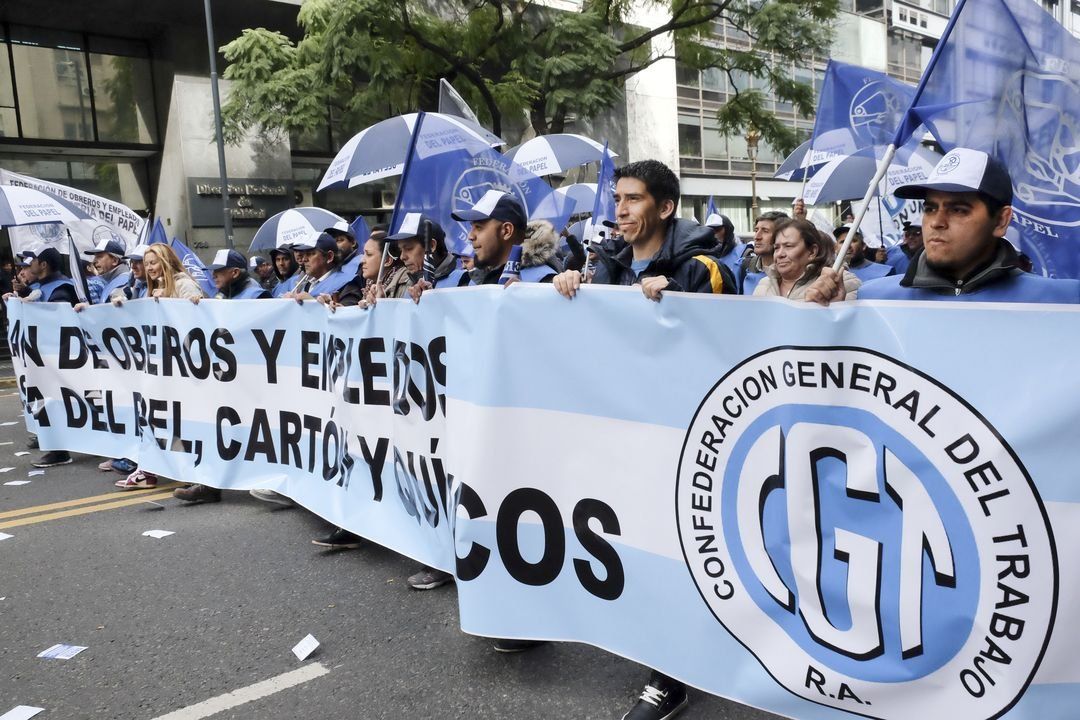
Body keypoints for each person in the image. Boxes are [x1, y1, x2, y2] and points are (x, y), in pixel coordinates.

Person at [554, 159, 729, 720]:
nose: (620, 211)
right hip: (621, 432)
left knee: (676, 548)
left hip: (683, 439)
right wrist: (571, 287)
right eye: (618, 200)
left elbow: (729, 333)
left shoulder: (704, 267)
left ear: (666, 207)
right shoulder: (606, 267)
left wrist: (679, 297)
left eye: (632, 199)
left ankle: (671, 674)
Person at [807, 148, 1080, 305]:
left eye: (958, 210)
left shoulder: (1060, 303)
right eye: (930, 208)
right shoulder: (874, 299)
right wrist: (830, 322)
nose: (936, 222)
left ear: (1000, 221)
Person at [109, 244, 205, 491]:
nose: (149, 267)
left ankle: (194, 471)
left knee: (181, 421)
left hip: (183, 370)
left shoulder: (184, 285)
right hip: (159, 368)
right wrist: (122, 305)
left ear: (167, 261)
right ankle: (149, 470)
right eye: (147, 263)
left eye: (154, 262)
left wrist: (188, 303)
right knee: (152, 416)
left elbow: (199, 321)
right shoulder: (152, 289)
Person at [5, 248, 78, 468]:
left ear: (43, 264)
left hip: (58, 357)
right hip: (40, 356)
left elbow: (54, 314)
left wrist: (30, 303)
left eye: (32, 262)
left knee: (57, 400)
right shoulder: (38, 286)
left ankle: (59, 450)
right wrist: (18, 297)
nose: (28, 266)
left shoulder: (63, 287)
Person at [451, 190, 562, 286]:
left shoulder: (545, 282)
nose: (470, 236)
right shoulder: (475, 281)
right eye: (472, 227)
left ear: (507, 231)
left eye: (479, 227)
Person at [751, 218, 860, 300]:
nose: (780, 254)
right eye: (776, 248)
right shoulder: (764, 284)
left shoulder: (840, 282)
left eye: (788, 246)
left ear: (812, 252)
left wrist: (834, 307)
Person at [387, 213, 467, 303]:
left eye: (409, 248)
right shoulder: (409, 285)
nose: (402, 257)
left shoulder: (464, 281)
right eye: (400, 250)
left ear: (431, 245)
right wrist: (380, 303)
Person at [285, 233, 351, 300]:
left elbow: (349, 309)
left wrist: (312, 303)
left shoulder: (347, 284)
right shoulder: (308, 284)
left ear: (329, 257)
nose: (304, 259)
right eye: (303, 254)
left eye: (310, 254)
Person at [740, 211, 788, 295]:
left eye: (765, 231)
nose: (757, 237)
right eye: (756, 230)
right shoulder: (743, 266)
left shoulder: (791, 273)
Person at [704, 211, 745, 292]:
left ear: (728, 229)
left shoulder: (743, 252)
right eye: (710, 230)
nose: (714, 234)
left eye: (718, 229)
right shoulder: (704, 254)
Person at [83, 238, 130, 304]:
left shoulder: (124, 282)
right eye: (95, 257)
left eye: (99, 256)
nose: (94, 261)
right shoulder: (112, 281)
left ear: (115, 261)